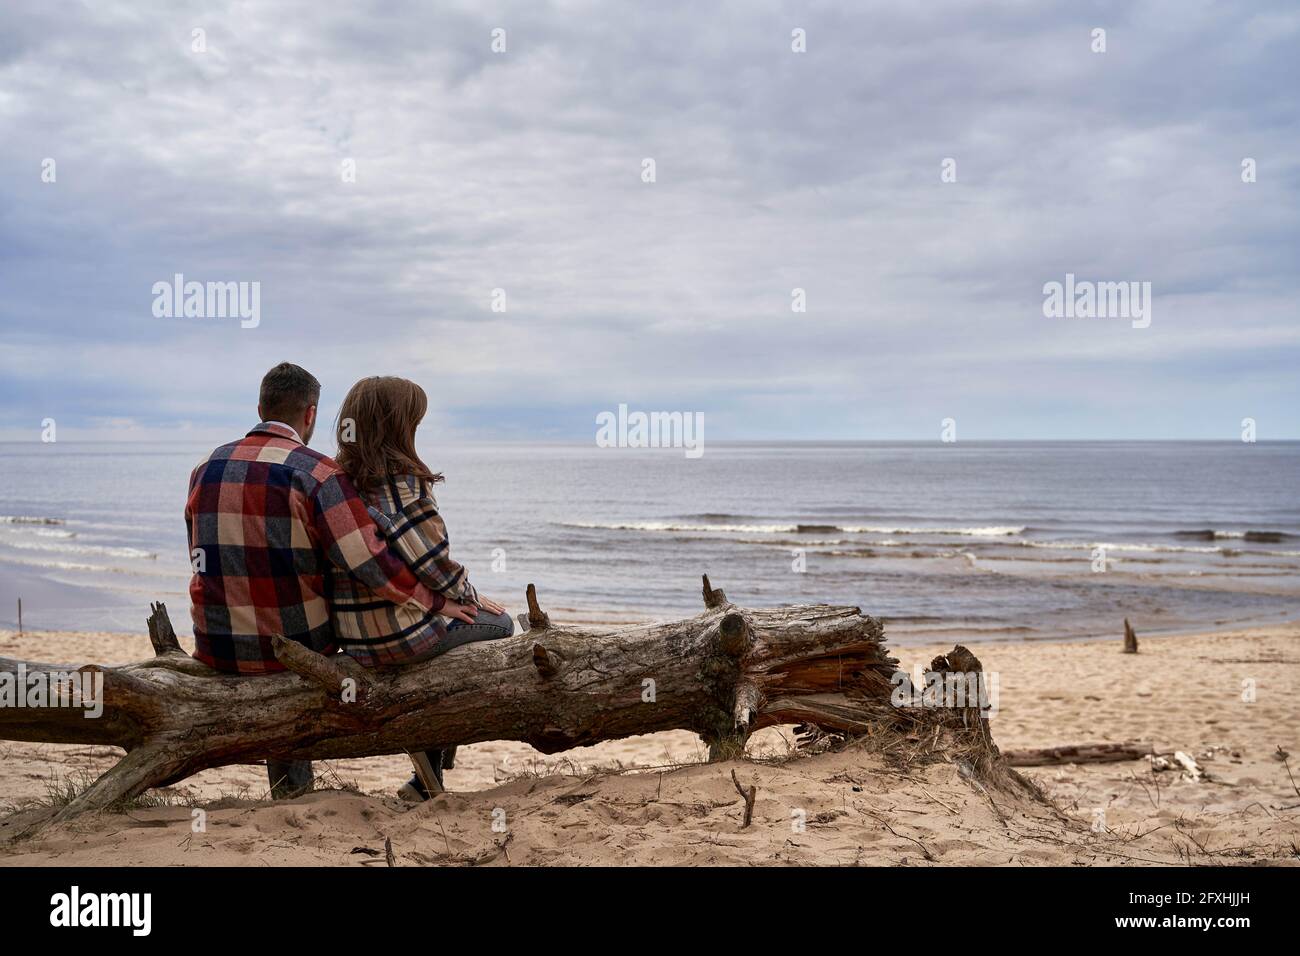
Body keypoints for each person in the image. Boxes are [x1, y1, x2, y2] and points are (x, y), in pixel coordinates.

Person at [184, 362, 477, 798]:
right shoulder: (316, 473)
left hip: (215, 645)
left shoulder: (205, 467)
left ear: (260, 406)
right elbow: (369, 563)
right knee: (292, 636)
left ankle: (290, 795)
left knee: (282, 625)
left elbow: (203, 556)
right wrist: (435, 602)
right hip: (298, 650)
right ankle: (418, 776)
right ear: (310, 415)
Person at [331, 375, 514, 800]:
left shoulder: (339, 481)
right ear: (398, 426)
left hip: (352, 633)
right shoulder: (402, 484)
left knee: (455, 633)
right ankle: (436, 765)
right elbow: (433, 563)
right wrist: (467, 594)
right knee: (501, 625)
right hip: (395, 635)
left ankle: (427, 778)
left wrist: (452, 596)